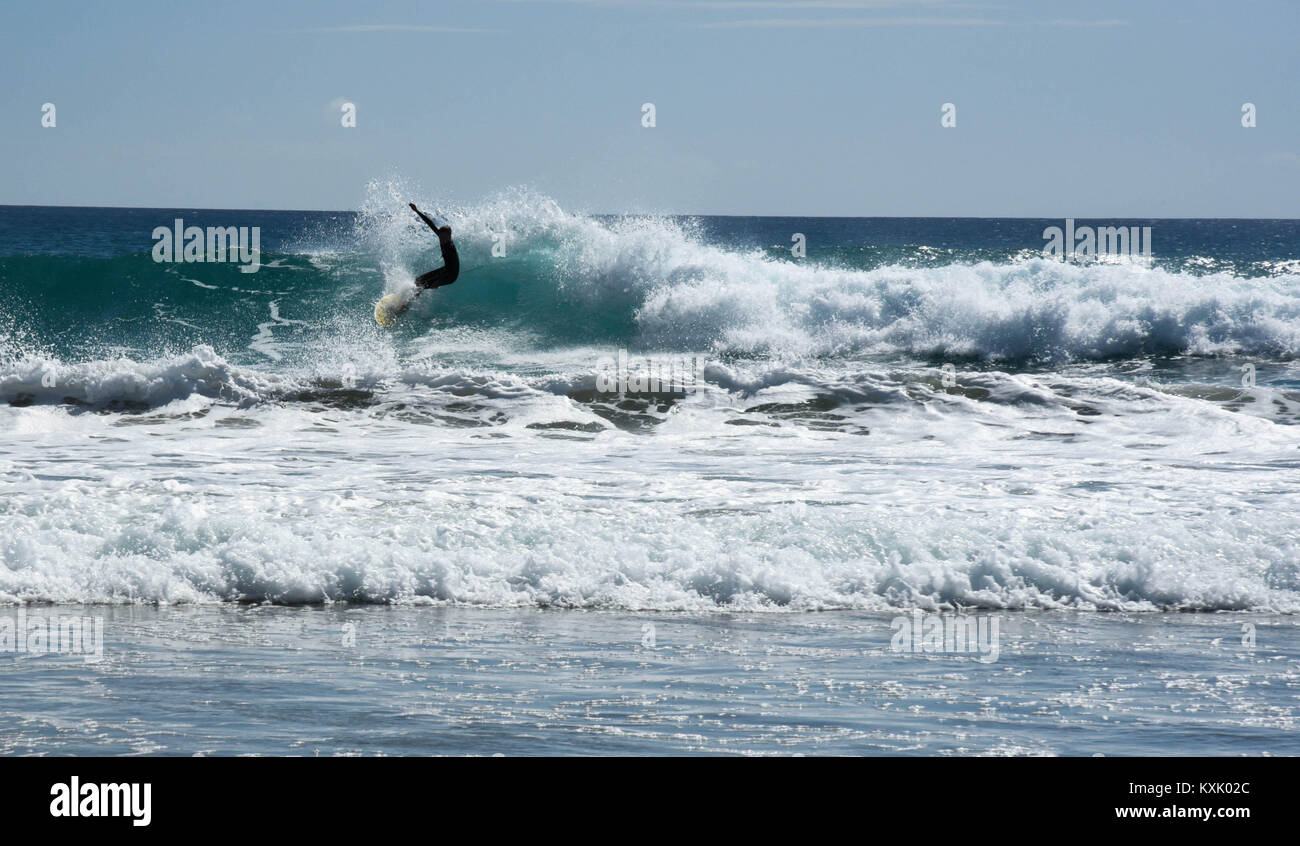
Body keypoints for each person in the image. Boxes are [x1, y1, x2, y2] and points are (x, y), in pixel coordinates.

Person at [409, 202, 459, 289]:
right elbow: (430, 223)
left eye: (444, 237)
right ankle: (407, 300)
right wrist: (416, 211)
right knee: (417, 281)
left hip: (450, 275)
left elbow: (453, 269)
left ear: (449, 236)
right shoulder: (442, 237)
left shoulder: (450, 247)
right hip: (445, 270)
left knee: (420, 285)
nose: (441, 239)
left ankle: (407, 302)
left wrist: (438, 282)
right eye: (441, 236)